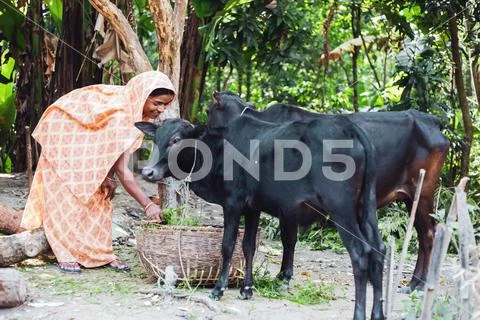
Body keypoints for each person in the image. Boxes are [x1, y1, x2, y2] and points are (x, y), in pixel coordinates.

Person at [21, 71, 175, 273]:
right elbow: (122, 169)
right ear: (143, 95)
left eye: (165, 105)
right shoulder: (121, 115)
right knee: (67, 198)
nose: (160, 109)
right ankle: (65, 253)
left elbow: (113, 151)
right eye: (156, 103)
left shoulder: (134, 110)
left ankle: (100, 253)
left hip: (87, 142)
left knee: (101, 195)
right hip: (65, 136)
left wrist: (107, 176)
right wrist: (147, 205)